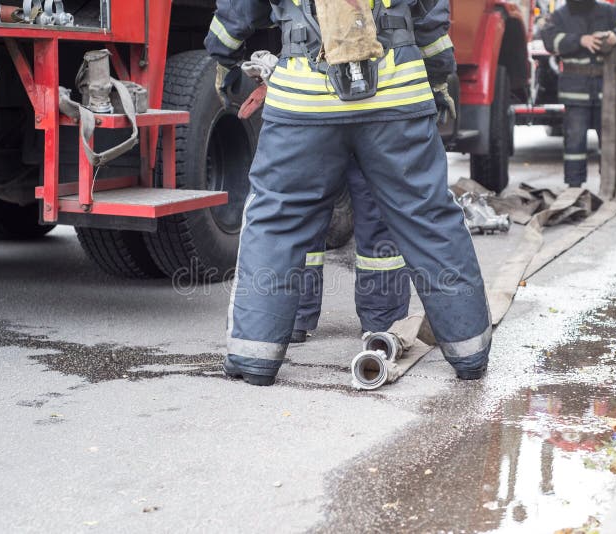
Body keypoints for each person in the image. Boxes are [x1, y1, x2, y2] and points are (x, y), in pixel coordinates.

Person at [205, 0, 492, 386]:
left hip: (305, 99)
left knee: (277, 221)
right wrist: (438, 82)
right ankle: (469, 353)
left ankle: (253, 356)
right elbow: (431, 21)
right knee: (429, 219)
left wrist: (223, 59)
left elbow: (239, 11)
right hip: (396, 97)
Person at [292, 160, 411, 343]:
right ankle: (381, 317)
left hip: (313, 134)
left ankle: (293, 314)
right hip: (375, 133)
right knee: (376, 203)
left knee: (304, 204)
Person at [541, 0, 616, 187]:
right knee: (574, 143)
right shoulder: (560, 16)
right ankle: (574, 187)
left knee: (609, 141)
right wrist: (580, 40)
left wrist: (614, 36)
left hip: (605, 92)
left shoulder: (608, 12)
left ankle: (610, 185)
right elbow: (549, 40)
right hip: (575, 92)